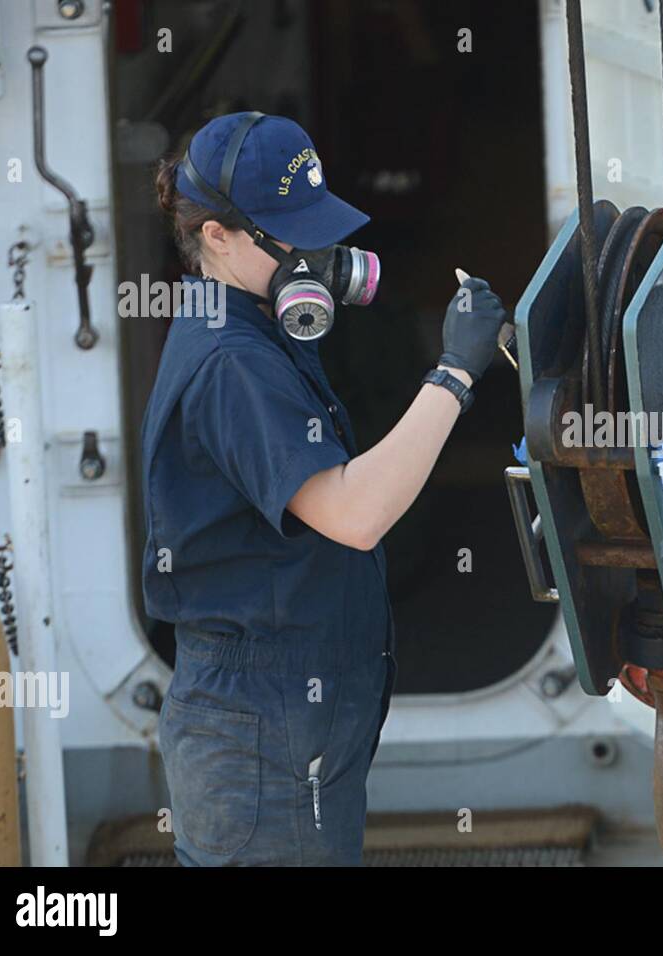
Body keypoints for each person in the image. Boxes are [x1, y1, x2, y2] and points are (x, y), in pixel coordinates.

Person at [142, 112, 506, 865]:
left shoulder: (251, 325)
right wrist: (456, 374)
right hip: (262, 735)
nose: (317, 256)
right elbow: (354, 511)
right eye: (292, 239)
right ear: (217, 236)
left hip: (280, 722)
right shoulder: (231, 364)